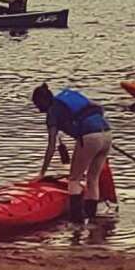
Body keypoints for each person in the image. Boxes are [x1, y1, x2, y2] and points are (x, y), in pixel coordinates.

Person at [33, 81, 113, 222]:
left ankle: (77, 224)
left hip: (90, 136)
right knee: (92, 179)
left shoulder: (53, 111)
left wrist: (42, 173)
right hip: (106, 133)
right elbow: (98, 109)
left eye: (38, 105)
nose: (39, 110)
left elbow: (51, 146)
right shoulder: (68, 98)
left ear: (44, 101)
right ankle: (91, 219)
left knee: (74, 179)